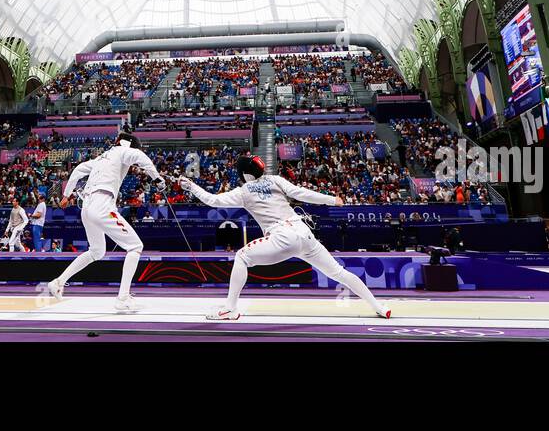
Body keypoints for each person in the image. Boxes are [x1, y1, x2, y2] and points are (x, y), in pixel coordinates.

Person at [179, 153, 391, 321]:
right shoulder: (275, 180)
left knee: (242, 257)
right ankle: (379, 307)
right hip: (305, 235)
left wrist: (190, 185)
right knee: (339, 272)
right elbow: (301, 193)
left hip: (282, 237)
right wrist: (331, 199)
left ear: (243, 174)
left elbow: (212, 200)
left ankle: (230, 309)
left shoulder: (243, 192)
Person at [47, 131, 164, 312]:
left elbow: (77, 170)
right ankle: (123, 298)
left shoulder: (101, 158)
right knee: (135, 247)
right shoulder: (123, 151)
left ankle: (57, 282)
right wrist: (157, 178)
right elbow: (140, 157)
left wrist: (66, 195)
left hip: (87, 208)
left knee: (96, 251)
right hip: (102, 205)